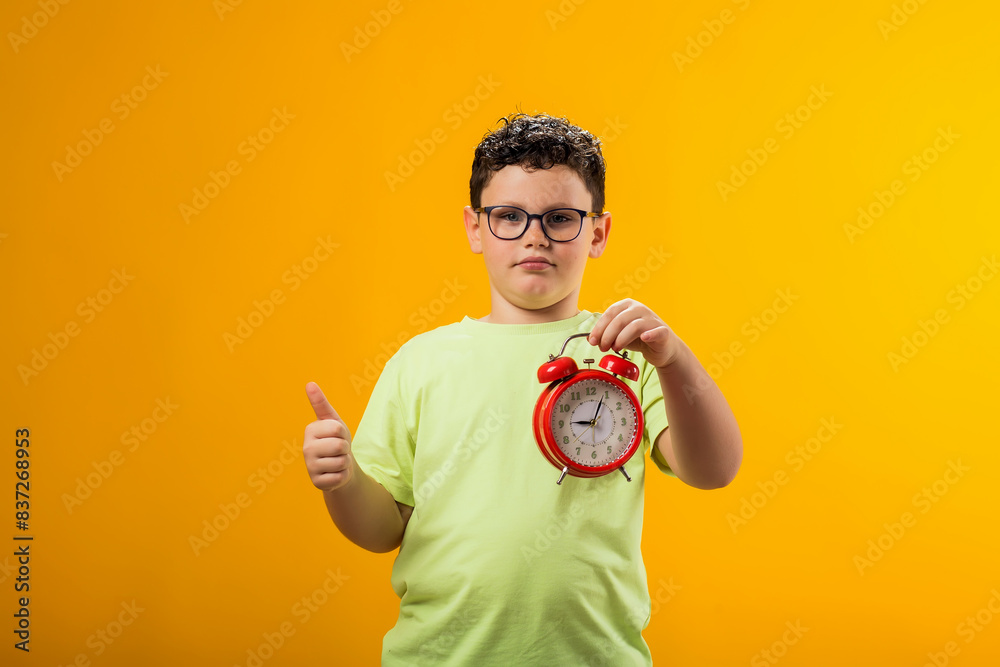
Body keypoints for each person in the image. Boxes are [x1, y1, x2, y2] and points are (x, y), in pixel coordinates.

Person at [302, 111, 743, 665]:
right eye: (509, 215)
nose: (535, 236)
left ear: (598, 231)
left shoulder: (627, 353)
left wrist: (675, 358)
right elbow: (382, 529)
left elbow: (715, 469)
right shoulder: (422, 362)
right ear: (475, 228)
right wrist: (342, 482)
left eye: (560, 218)